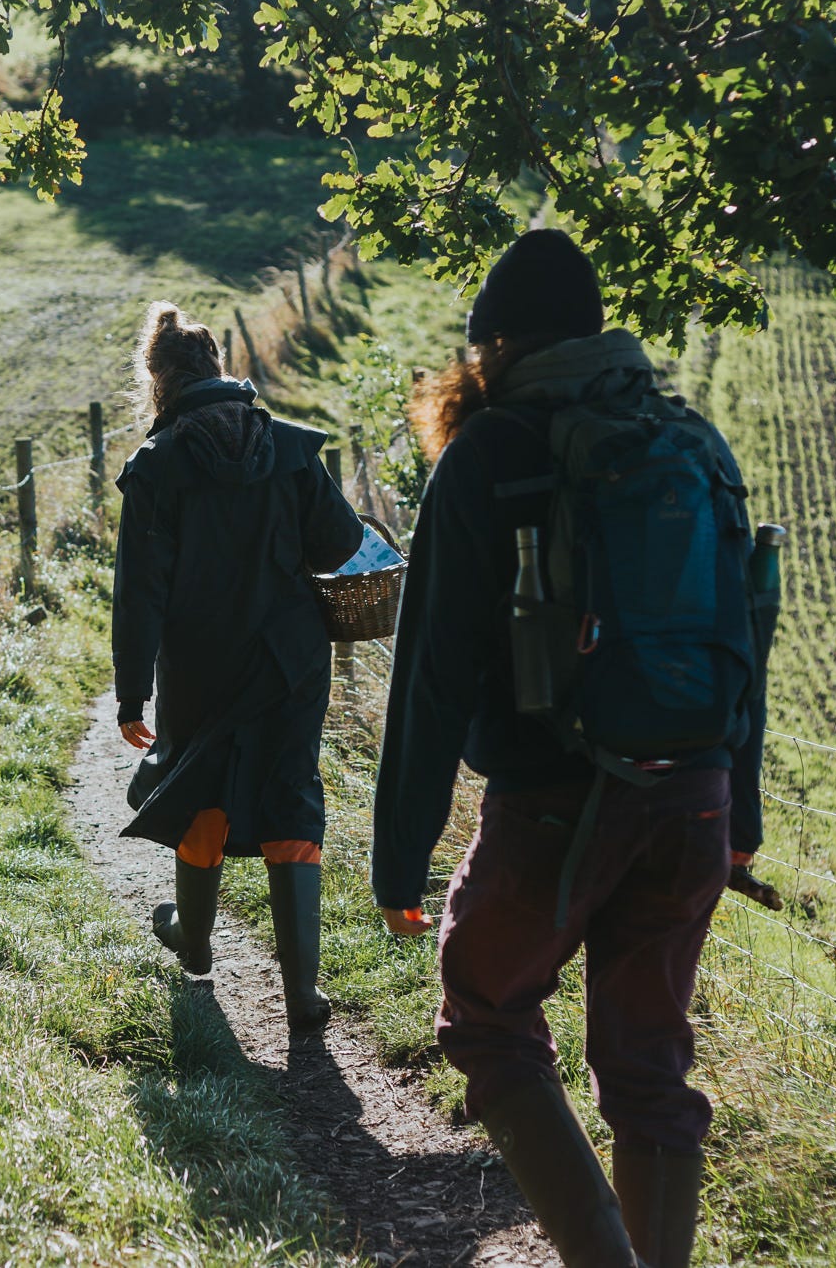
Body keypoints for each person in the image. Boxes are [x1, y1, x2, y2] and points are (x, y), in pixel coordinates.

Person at [372, 230, 764, 1268]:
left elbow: (430, 673)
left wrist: (399, 857)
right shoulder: (693, 440)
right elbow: (745, 637)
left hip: (558, 800)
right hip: (696, 794)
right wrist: (742, 823)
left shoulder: (489, 456)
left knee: (485, 1015)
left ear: (491, 347)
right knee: (647, 1068)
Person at [112, 301, 364, 1029]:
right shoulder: (287, 449)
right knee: (291, 793)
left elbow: (140, 595)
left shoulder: (157, 468)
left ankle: (193, 944)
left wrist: (132, 694)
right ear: (220, 366)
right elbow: (341, 544)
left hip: (198, 664)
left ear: (159, 383)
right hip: (290, 660)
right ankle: (301, 994)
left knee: (201, 791)